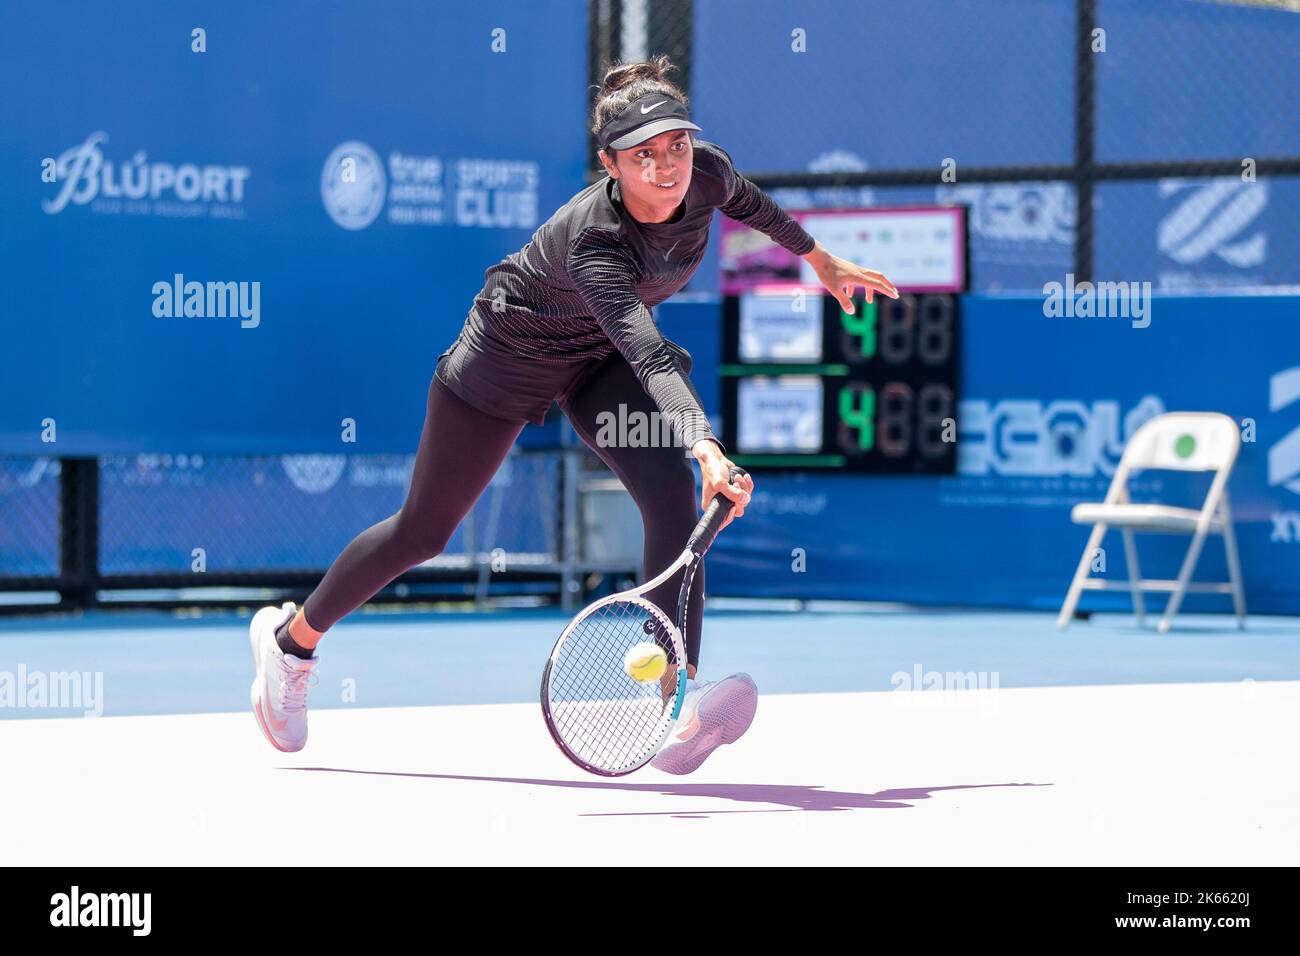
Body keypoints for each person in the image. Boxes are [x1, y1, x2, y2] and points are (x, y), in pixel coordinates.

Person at [249, 55, 897, 774]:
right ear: (609, 164)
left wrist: (821, 259)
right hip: (504, 359)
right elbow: (649, 357)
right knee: (425, 532)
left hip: (594, 364)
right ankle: (291, 645)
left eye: (675, 145)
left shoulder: (705, 172)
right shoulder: (594, 243)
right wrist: (707, 447)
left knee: (671, 499)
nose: (666, 166)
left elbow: (752, 206)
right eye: (643, 155)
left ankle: (673, 702)